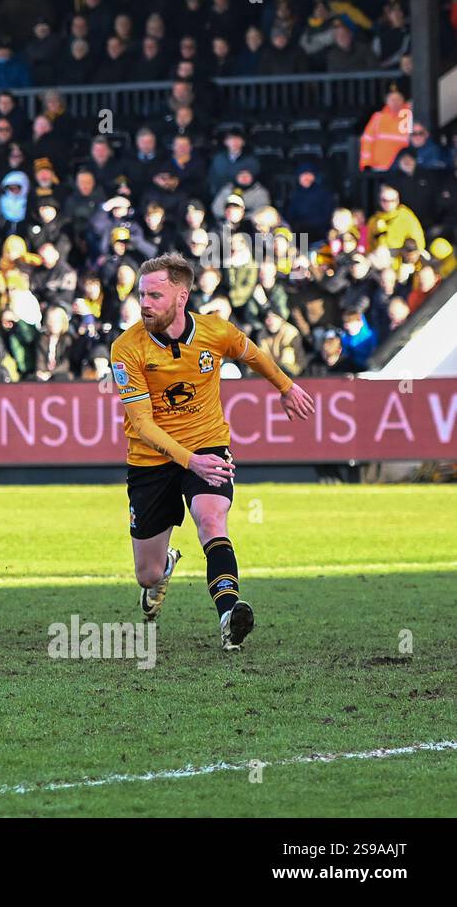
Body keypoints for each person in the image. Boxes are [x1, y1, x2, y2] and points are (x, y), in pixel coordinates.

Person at [110, 254, 315, 651]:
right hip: (151, 459)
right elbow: (143, 425)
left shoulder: (214, 331)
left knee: (211, 518)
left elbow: (251, 352)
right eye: (141, 294)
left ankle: (228, 614)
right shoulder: (126, 348)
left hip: (207, 443)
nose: (144, 303)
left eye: (155, 294)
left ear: (181, 296)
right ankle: (165, 565)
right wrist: (189, 461)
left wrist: (286, 387)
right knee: (147, 575)